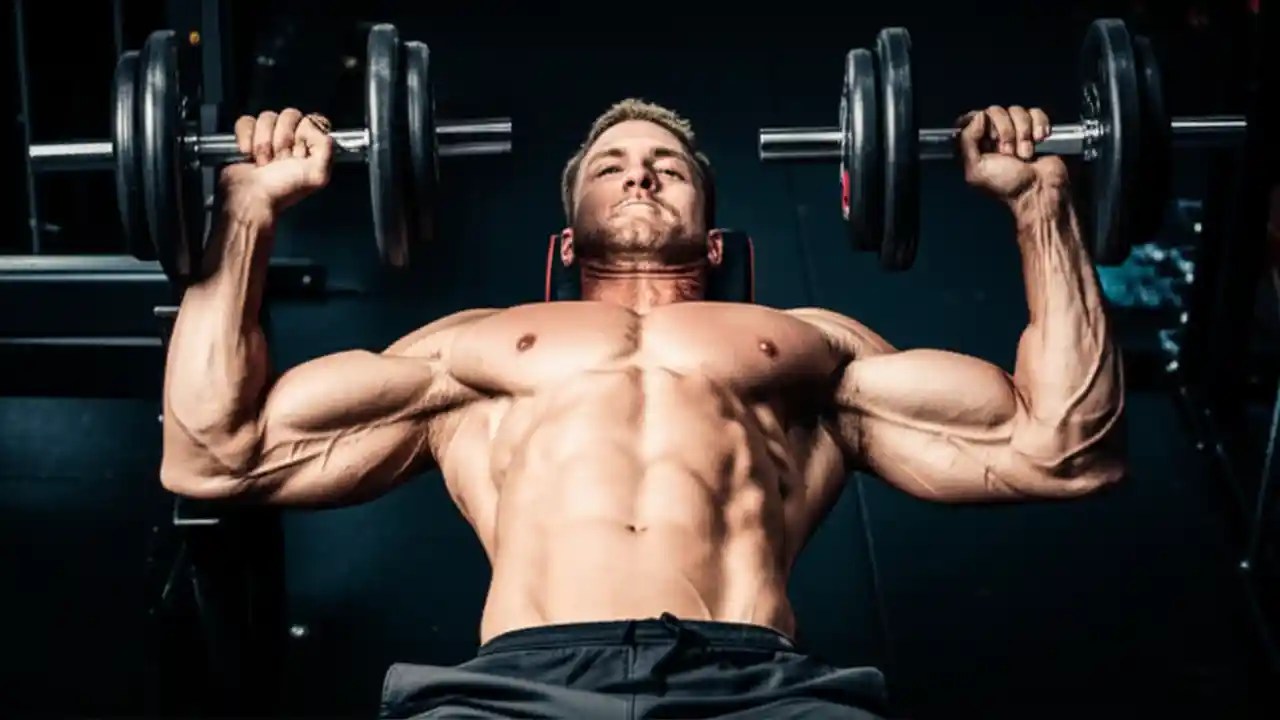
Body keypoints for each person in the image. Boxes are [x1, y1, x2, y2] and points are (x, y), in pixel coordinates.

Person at [159, 98, 1126, 718]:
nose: (641, 171)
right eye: (612, 163)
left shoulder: (808, 348)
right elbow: (215, 453)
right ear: (567, 238)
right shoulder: (472, 348)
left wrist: (1042, 207)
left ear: (714, 241)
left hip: (760, 688)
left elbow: (1062, 446)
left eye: (668, 164)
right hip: (512, 689)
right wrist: (246, 210)